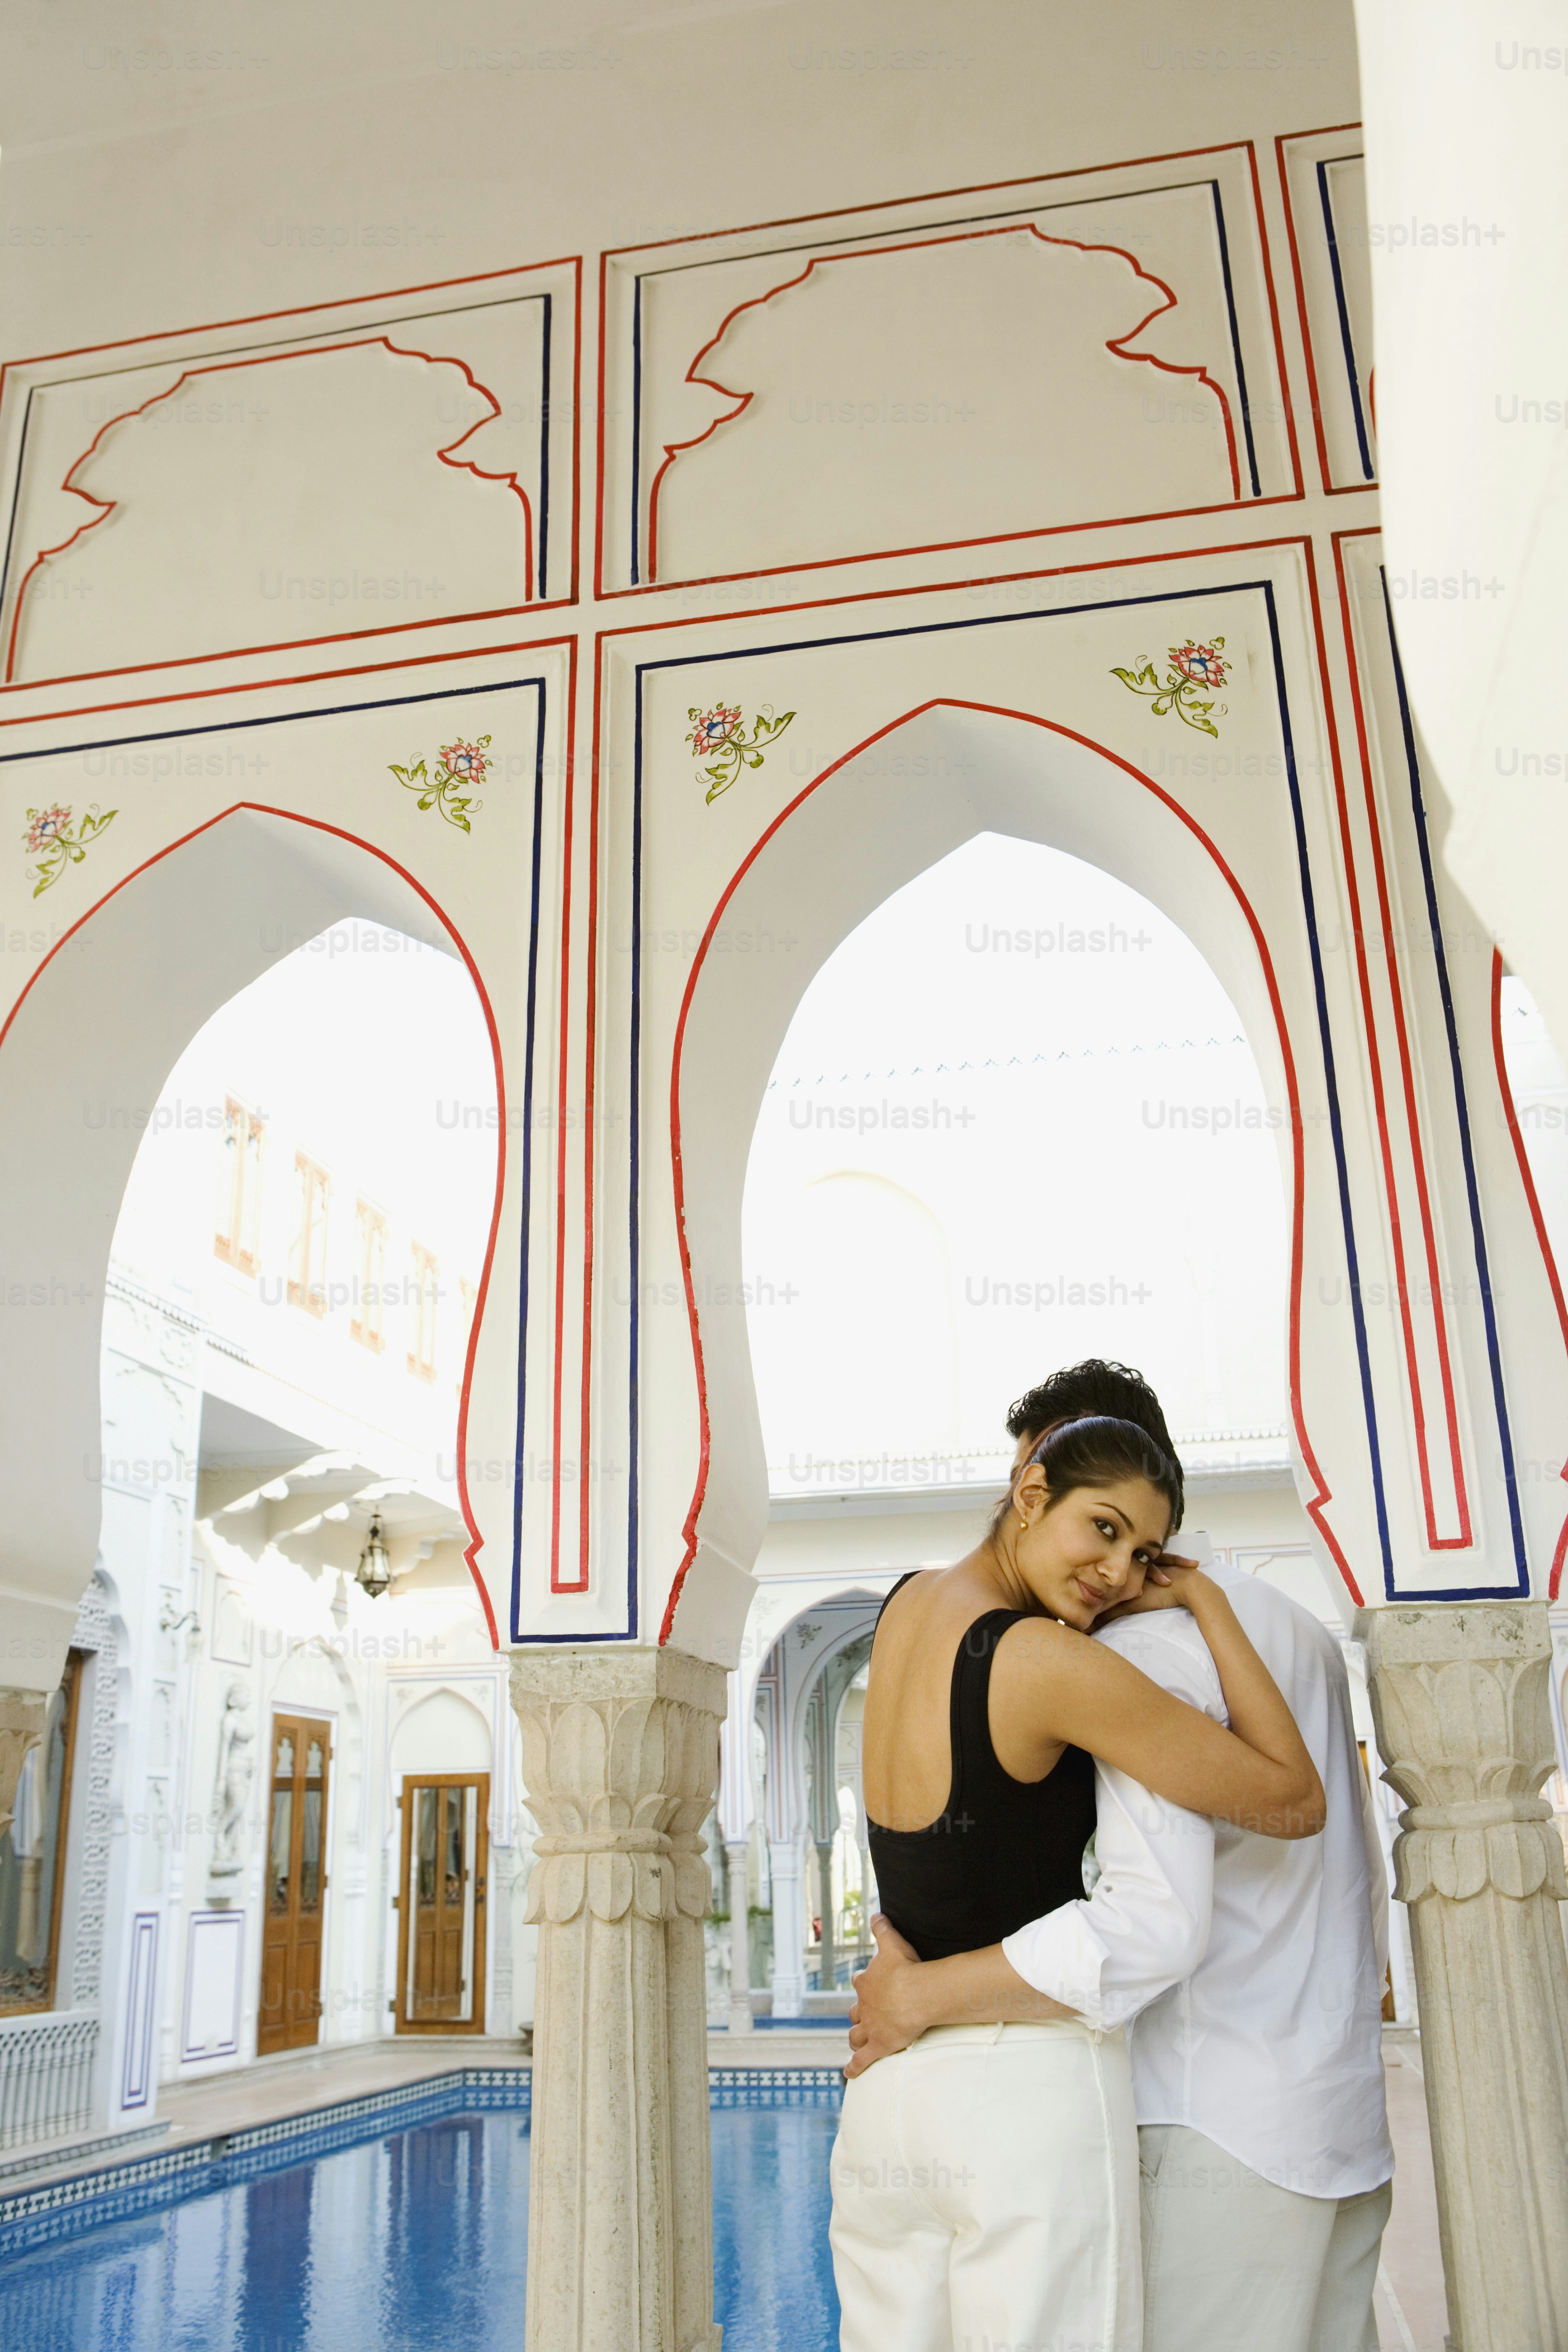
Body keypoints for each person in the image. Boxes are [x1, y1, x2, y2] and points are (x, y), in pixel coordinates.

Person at [848, 1369, 1394, 2352]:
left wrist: (914, 1994)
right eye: (1099, 1531)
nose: (1113, 1570)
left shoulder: (930, 1612)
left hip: (1171, 2115)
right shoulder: (1294, 1633)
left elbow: (1169, 1909)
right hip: (1323, 2108)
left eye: (1132, 1542)